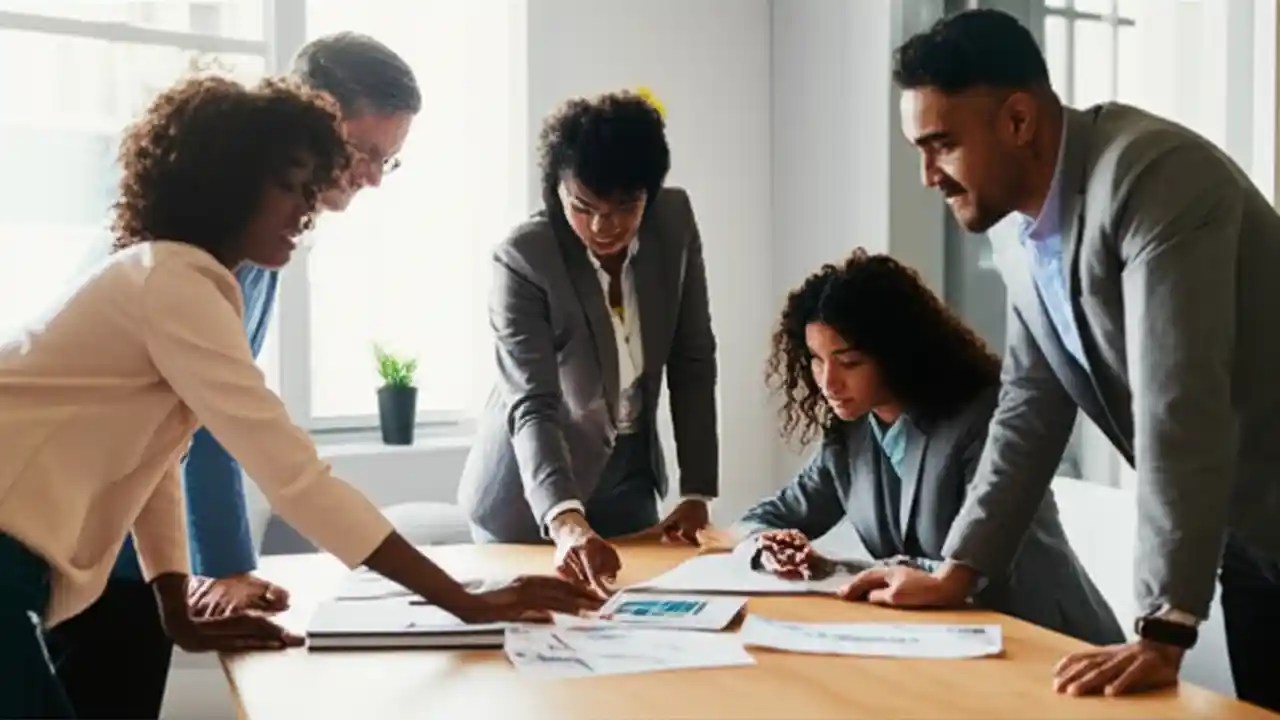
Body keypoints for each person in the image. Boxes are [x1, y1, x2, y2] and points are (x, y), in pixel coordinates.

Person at [0, 75, 599, 720]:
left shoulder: (170, 275)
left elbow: (154, 463)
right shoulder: (174, 285)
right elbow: (294, 478)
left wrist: (174, 605)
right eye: (288, 187)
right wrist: (464, 600)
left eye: (309, 190)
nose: (304, 212)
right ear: (225, 184)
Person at [841, 9, 1280, 709]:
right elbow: (1028, 407)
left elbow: (1178, 401)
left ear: (1018, 120)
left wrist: (1162, 626)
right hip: (1248, 534)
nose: (927, 176)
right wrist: (959, 571)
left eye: (942, 145)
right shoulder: (1019, 234)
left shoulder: (1155, 178)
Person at [45, 32, 422, 720]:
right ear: (312, 119)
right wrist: (225, 566)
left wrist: (213, 569)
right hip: (87, 538)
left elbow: (181, 427)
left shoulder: (250, 240)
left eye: (387, 161)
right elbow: (224, 433)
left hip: (119, 541)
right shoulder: (207, 249)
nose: (370, 176)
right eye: (364, 152)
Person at [732, 250, 1121, 645]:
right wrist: (769, 546)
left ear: (895, 354)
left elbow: (981, 569)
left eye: (849, 362)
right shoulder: (849, 437)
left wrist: (845, 568)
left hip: (1047, 637)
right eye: (816, 360)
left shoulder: (981, 421)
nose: (828, 383)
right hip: (950, 640)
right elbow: (761, 519)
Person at [457, 90, 719, 592]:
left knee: (640, 619)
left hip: (629, 475)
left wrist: (696, 491)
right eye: (583, 206)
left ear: (649, 195)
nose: (603, 226)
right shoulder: (524, 258)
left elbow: (693, 356)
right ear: (557, 190)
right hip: (530, 494)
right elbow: (533, 403)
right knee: (546, 628)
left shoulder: (674, 221)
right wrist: (565, 521)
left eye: (625, 207)